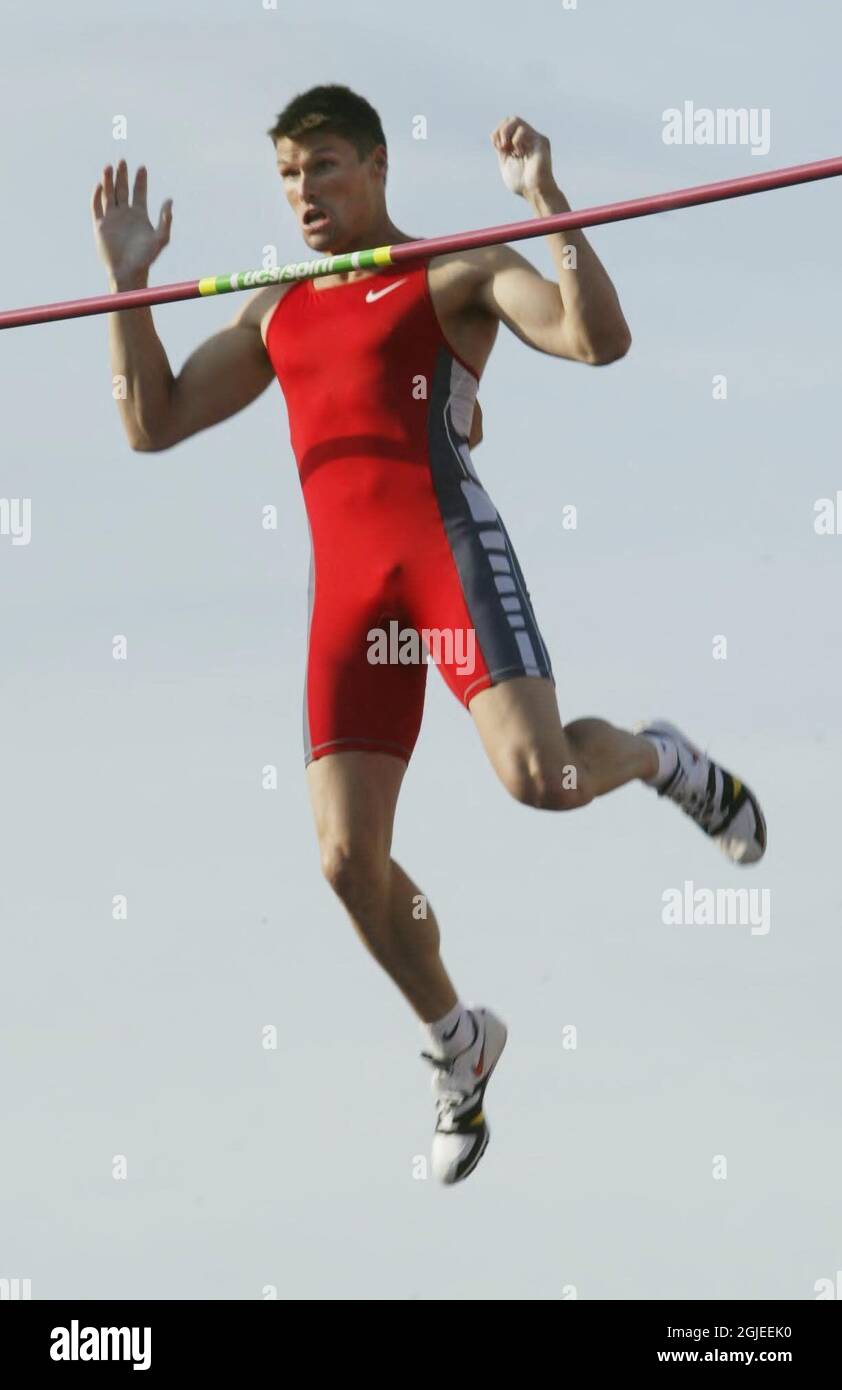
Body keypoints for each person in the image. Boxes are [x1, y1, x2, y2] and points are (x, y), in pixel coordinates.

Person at [93, 85, 766, 1186]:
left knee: (540, 777)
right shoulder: (276, 306)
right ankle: (459, 1040)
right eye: (286, 178)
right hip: (348, 603)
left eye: (322, 170)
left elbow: (598, 340)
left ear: (374, 168)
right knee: (344, 859)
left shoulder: (451, 271)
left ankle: (658, 757)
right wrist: (129, 288)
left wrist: (547, 202)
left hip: (442, 555)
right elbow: (149, 421)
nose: (303, 195)